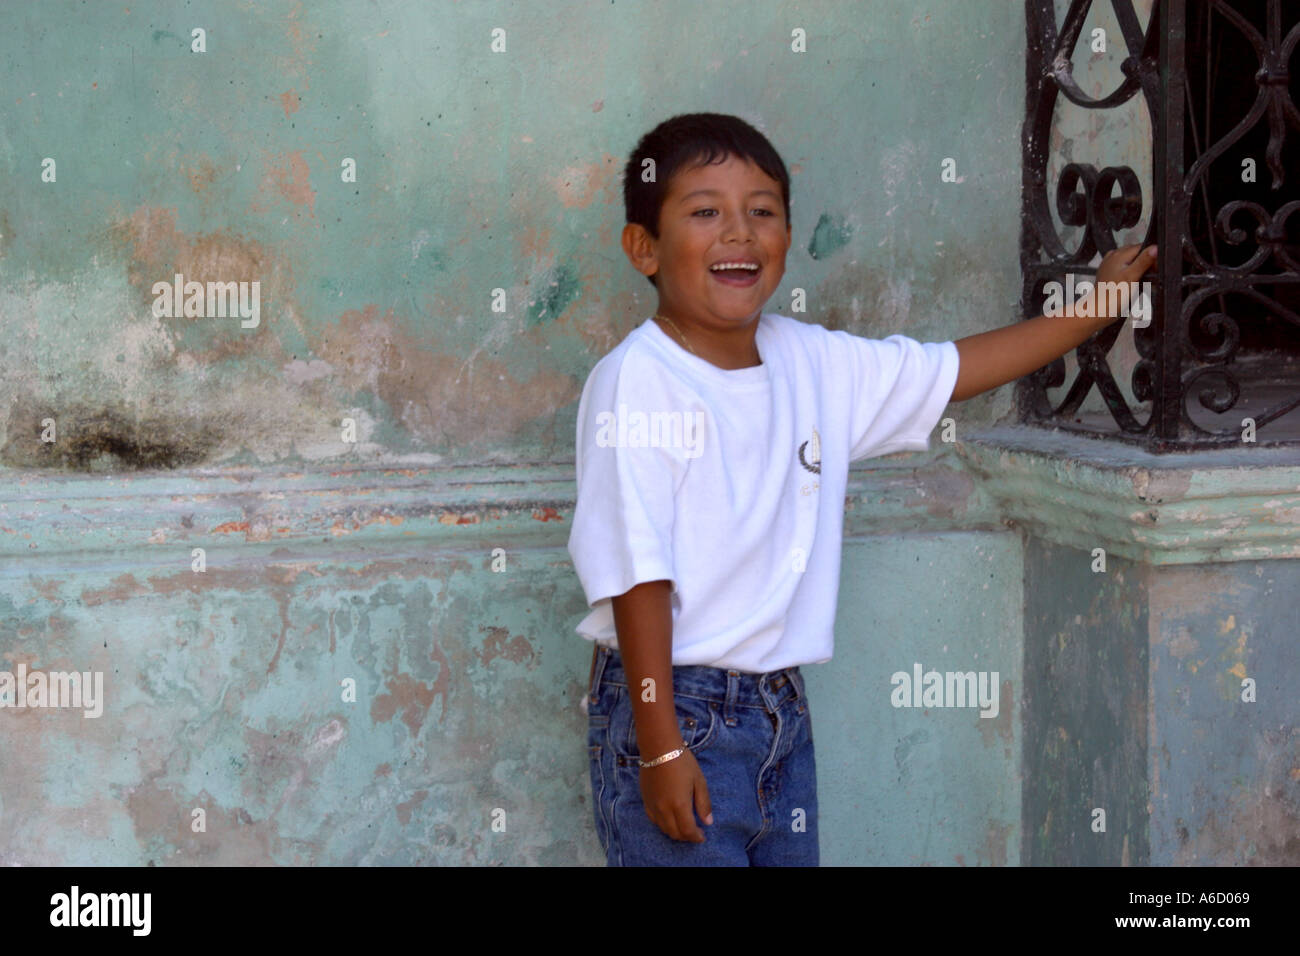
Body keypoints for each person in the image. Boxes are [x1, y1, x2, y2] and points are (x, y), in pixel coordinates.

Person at [566, 112, 1157, 866]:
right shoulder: (639, 380)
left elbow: (949, 371)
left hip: (779, 708)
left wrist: (1096, 310)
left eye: (763, 211)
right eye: (705, 211)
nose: (739, 233)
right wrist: (657, 747)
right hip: (674, 709)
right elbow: (637, 572)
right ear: (643, 248)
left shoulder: (809, 360)